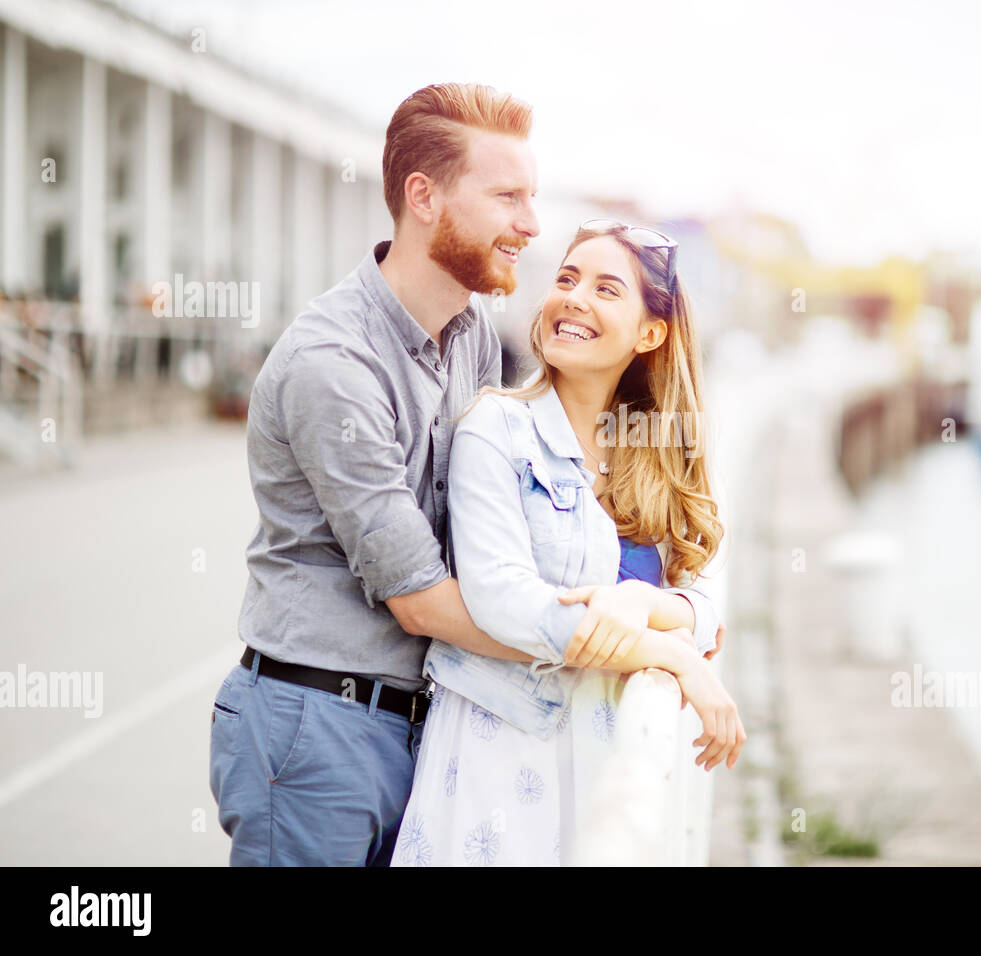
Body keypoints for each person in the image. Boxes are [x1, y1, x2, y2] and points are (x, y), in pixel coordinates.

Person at [208, 83, 637, 866]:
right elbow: (420, 601)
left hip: (423, 724)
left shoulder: (471, 336)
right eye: (508, 196)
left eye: (532, 198)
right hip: (316, 731)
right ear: (424, 197)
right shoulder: (334, 365)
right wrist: (615, 649)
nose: (531, 225)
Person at [392, 220, 744, 867]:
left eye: (607, 288)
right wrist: (677, 658)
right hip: (497, 763)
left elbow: (705, 602)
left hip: (600, 759)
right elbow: (505, 601)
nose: (574, 298)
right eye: (566, 279)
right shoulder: (496, 428)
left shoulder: (650, 454)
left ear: (650, 333)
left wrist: (642, 606)